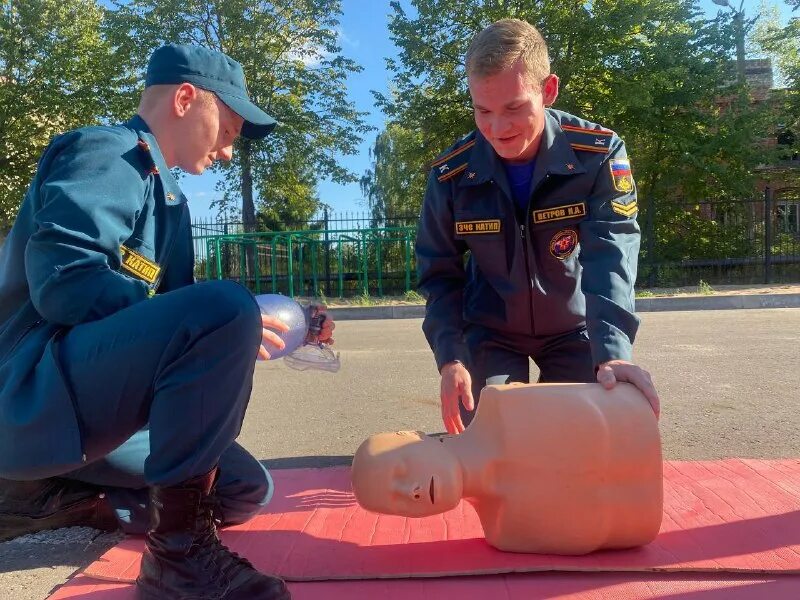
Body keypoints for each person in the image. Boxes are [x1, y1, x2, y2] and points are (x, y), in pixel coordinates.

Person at [0, 44, 333, 600]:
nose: (229, 151)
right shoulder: (106, 154)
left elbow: (178, 334)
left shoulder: (168, 201)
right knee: (224, 307)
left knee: (245, 489)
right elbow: (65, 283)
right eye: (229, 128)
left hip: (83, 403)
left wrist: (292, 320)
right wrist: (223, 318)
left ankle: (39, 496)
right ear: (186, 98)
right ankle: (177, 562)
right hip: (29, 389)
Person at [415, 19, 659, 435]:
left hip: (574, 328)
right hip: (490, 331)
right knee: (497, 437)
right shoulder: (451, 174)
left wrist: (613, 350)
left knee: (591, 431)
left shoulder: (597, 155)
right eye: (482, 111)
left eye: (514, 108)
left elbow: (611, 253)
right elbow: (439, 274)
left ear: (547, 91)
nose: (496, 129)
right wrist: (451, 358)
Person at [352, 382, 663, 555]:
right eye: (399, 503)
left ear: (411, 436)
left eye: (400, 472)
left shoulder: (503, 403)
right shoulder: (506, 534)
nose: (413, 491)